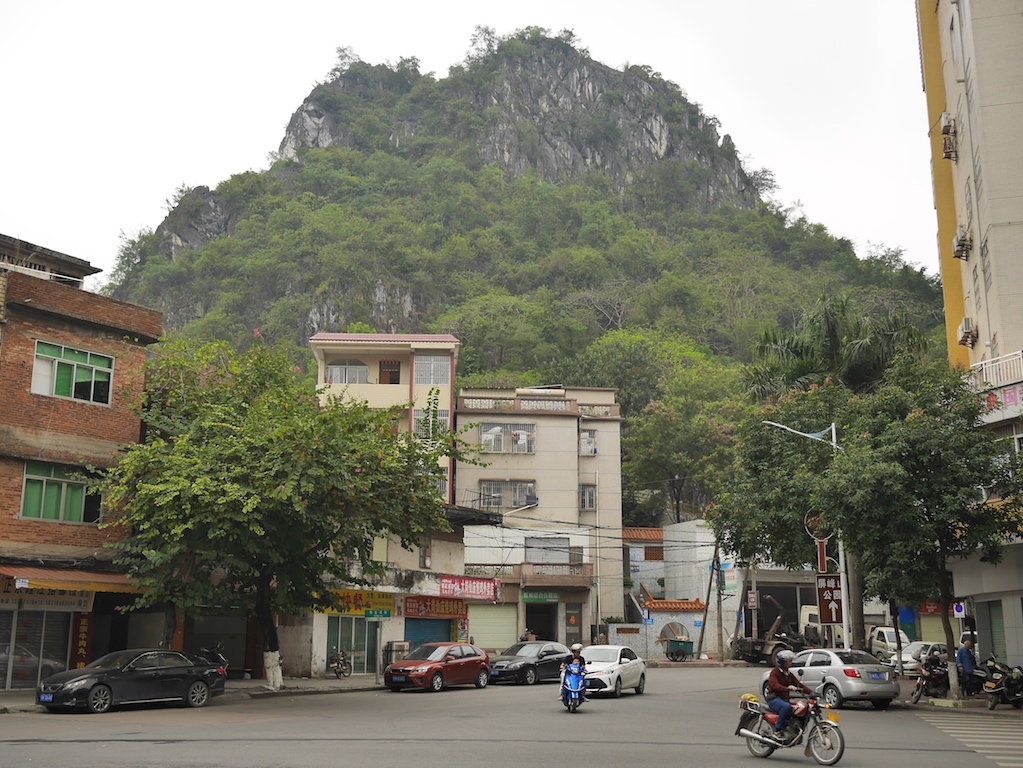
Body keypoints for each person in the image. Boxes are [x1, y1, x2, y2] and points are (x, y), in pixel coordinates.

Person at [765, 650, 812, 741]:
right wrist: (787, 688)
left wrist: (812, 693)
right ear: (782, 662)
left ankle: (794, 730)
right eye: (789, 661)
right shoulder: (774, 672)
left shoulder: (789, 674)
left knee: (802, 708)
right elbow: (774, 685)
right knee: (786, 707)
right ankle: (777, 731)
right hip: (774, 699)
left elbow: (799, 684)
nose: (791, 663)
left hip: (784, 699)